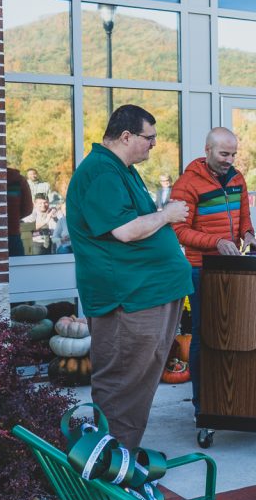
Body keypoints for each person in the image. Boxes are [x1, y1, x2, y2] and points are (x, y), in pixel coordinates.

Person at [65, 104, 192, 449]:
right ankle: (110, 461)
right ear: (125, 136)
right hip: (126, 298)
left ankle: (122, 453)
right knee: (122, 380)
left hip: (146, 293)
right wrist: (167, 214)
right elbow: (125, 230)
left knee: (138, 380)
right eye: (149, 137)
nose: (154, 144)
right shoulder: (101, 173)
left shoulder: (122, 170)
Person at [170, 127, 256, 418]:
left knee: (235, 332)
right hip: (201, 270)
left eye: (234, 154)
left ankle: (233, 397)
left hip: (232, 267)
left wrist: (248, 235)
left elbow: (244, 217)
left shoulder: (237, 178)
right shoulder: (187, 184)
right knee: (203, 336)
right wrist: (216, 242)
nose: (230, 160)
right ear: (208, 150)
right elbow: (178, 230)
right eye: (224, 154)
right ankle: (203, 405)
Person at [6, 167, 34, 256]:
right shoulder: (19, 180)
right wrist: (14, 217)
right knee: (17, 263)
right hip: (13, 232)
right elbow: (28, 208)